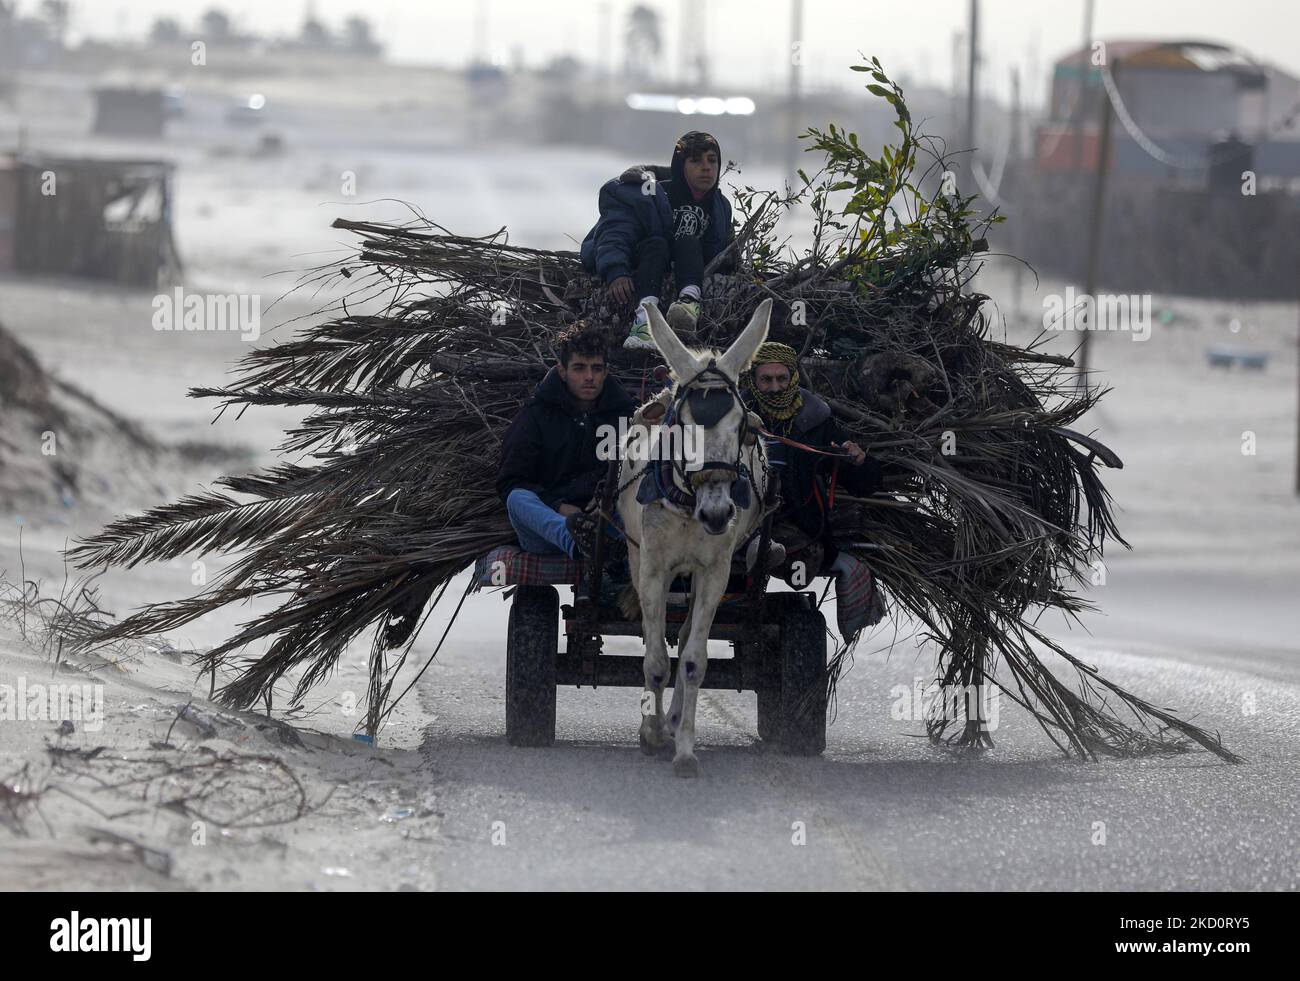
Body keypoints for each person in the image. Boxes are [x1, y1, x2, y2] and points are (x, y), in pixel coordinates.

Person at [740, 341, 887, 633]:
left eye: (782, 379)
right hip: (737, 516)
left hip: (790, 520)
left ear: (793, 377)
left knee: (805, 553)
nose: (774, 388)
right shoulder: (733, 414)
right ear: (753, 381)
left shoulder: (815, 419)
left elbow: (864, 484)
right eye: (766, 380)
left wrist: (857, 460)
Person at [579, 131, 736, 351]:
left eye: (712, 160)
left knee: (688, 242)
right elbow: (615, 232)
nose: (706, 167)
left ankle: (688, 306)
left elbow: (720, 252)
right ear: (681, 166)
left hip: (683, 266)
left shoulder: (720, 206)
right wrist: (617, 271)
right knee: (657, 244)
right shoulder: (651, 192)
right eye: (695, 161)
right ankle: (645, 320)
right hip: (643, 260)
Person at [495, 321, 634, 563]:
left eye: (596, 369)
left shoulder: (625, 415)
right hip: (548, 528)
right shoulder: (536, 414)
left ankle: (596, 542)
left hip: (608, 523)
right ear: (562, 370)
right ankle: (577, 543)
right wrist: (559, 507)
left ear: (606, 372)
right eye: (579, 368)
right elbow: (511, 480)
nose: (589, 377)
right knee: (517, 499)